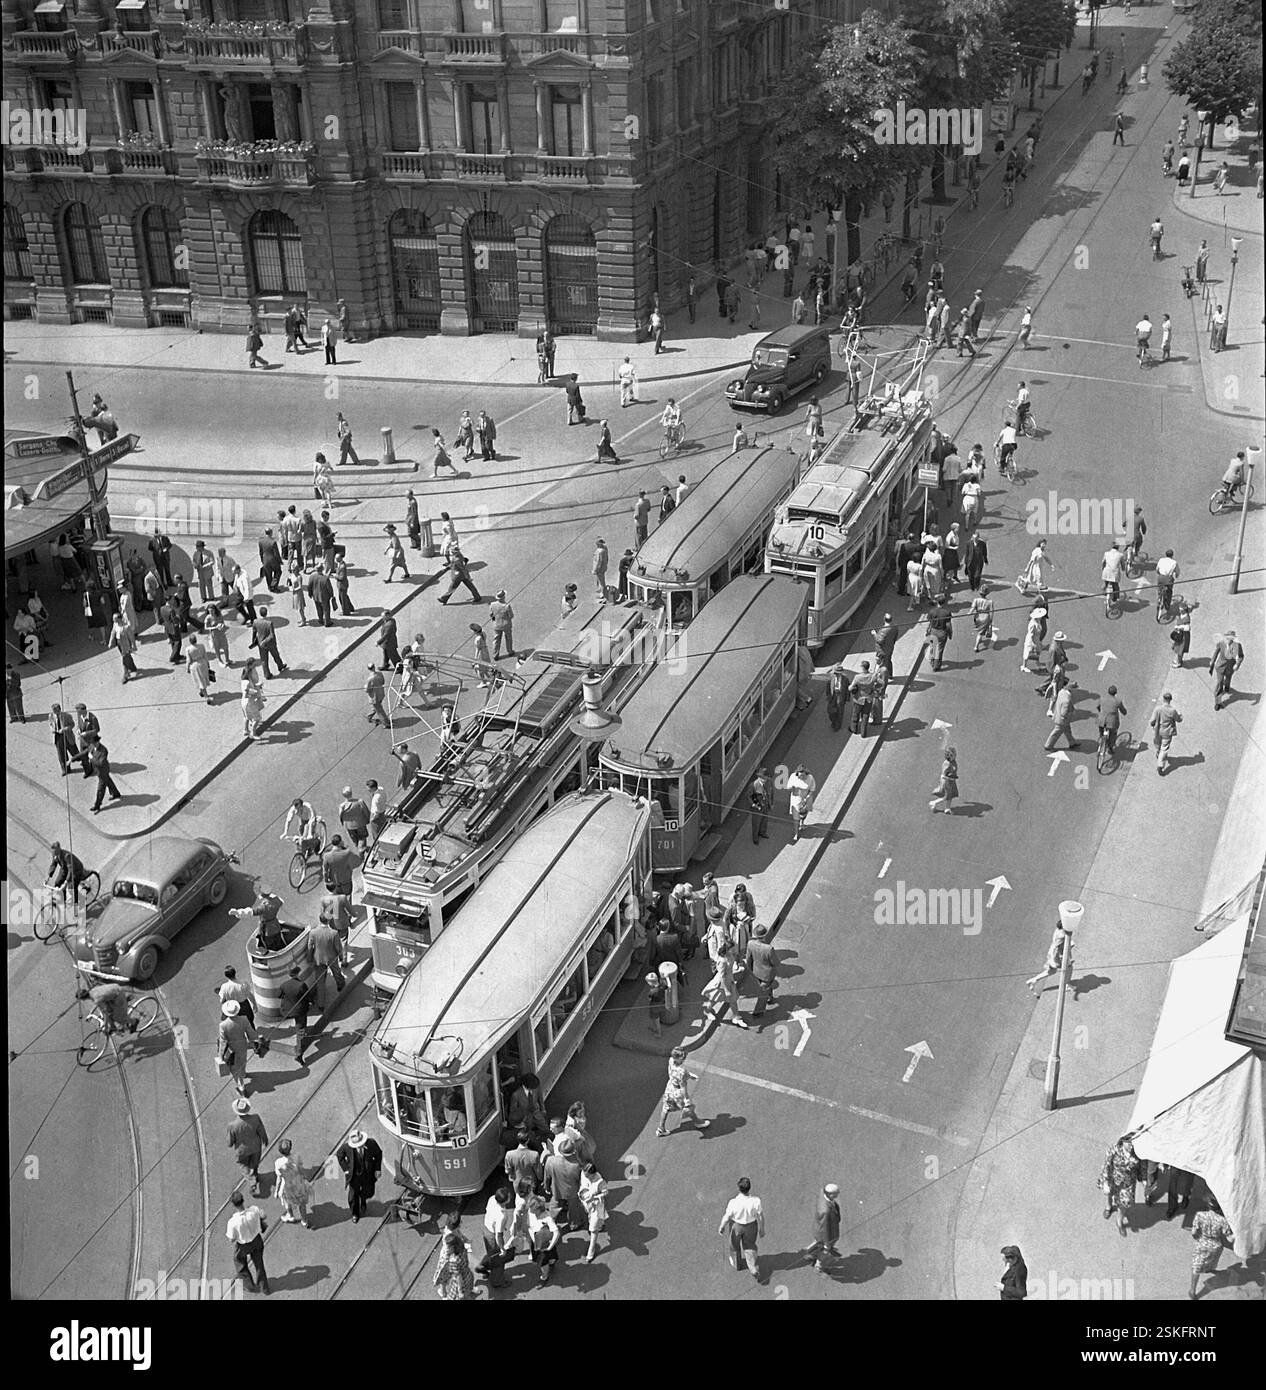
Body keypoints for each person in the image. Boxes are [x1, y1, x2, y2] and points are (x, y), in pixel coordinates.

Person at [657, 1047, 710, 1136]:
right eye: (683, 1058)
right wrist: (687, 1100)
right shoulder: (681, 1071)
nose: (684, 1059)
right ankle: (698, 1122)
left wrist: (689, 1075)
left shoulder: (670, 1060)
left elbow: (676, 1074)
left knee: (666, 1108)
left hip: (670, 1088)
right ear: (678, 1058)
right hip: (677, 1093)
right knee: (689, 1109)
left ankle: (661, 1128)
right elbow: (683, 1087)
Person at [225, 1191, 270, 1295]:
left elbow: (231, 1239)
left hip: (243, 1246)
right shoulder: (254, 1210)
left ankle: (250, 1286)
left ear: (233, 1204)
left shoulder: (232, 1222)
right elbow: (264, 1215)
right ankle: (265, 1287)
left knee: (240, 1264)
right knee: (259, 1264)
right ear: (243, 1201)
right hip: (257, 1241)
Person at [335, 1129, 383, 1223]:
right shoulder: (346, 1147)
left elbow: (378, 1154)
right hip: (354, 1175)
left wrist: (378, 1168)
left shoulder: (371, 1143)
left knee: (367, 1191)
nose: (360, 1146)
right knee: (352, 1197)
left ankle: (363, 1200)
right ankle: (355, 1213)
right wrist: (346, 1170)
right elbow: (339, 1155)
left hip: (368, 1173)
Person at [720, 1177, 765, 1278]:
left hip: (736, 1226)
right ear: (749, 1188)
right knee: (749, 1245)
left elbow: (727, 1217)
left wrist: (722, 1226)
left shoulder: (733, 1202)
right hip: (751, 1226)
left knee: (734, 1245)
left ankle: (737, 1264)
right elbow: (761, 1216)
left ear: (739, 1188)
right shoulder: (756, 1201)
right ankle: (752, 1267)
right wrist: (762, 1228)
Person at [1188, 1198, 1233, 1299]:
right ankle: (1209, 1269)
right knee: (1212, 1260)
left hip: (1202, 1244)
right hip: (1216, 1245)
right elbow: (1230, 1239)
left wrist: (1198, 1238)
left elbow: (1194, 1232)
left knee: (1196, 1267)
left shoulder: (1200, 1215)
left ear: (1208, 1207)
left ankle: (1192, 1290)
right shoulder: (1222, 1220)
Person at [1099, 1134, 1142, 1235]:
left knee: (1125, 1204)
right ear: (1123, 1141)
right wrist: (1106, 1181)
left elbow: (1140, 1167)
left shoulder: (1137, 1153)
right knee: (1110, 1193)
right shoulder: (1114, 1150)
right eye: (1129, 1143)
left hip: (1128, 1183)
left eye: (1133, 1143)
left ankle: (1119, 1222)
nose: (1131, 1145)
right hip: (1113, 1179)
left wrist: (1143, 1178)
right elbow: (1106, 1165)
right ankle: (1108, 1207)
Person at [228, 1096, 268, 1197]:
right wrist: (265, 1139)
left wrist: (232, 1143)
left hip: (242, 1150)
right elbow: (261, 1131)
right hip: (255, 1147)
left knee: (243, 1166)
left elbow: (230, 1142)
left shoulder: (232, 1125)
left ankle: (252, 1181)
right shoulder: (255, 1118)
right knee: (254, 1163)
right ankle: (255, 1174)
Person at [805, 1183, 842, 1272]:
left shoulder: (823, 1194)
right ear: (829, 1194)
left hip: (818, 1230)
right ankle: (820, 1266)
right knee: (825, 1251)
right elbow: (825, 1229)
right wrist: (827, 1245)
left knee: (818, 1244)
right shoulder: (825, 1211)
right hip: (826, 1234)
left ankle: (812, 1254)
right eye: (836, 1193)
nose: (838, 1194)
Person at [527, 1194, 562, 1283]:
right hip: (536, 1241)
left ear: (538, 1209)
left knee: (543, 1262)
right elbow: (529, 1226)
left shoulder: (547, 1218)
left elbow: (556, 1232)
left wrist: (550, 1246)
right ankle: (552, 1262)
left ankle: (544, 1277)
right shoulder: (531, 1213)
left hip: (544, 1244)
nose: (530, 1211)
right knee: (549, 1258)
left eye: (532, 1209)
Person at [1209, 631, 1244, 710]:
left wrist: (1237, 664)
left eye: (1229, 638)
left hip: (1230, 667)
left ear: (1232, 639)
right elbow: (1216, 652)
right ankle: (1218, 702)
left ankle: (1227, 687)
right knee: (1220, 682)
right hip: (1220, 666)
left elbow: (1241, 656)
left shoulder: (1237, 646)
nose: (1227, 640)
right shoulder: (1221, 644)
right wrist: (1212, 661)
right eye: (1226, 638)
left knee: (1228, 678)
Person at [1149, 691, 1181, 775]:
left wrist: (1153, 724)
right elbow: (1178, 719)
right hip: (1167, 732)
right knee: (1164, 748)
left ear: (1163, 699)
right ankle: (1160, 765)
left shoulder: (1158, 709)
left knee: (1158, 743)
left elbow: (1152, 721)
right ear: (1170, 700)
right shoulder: (1172, 710)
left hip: (1158, 731)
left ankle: (1158, 753)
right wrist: (1181, 716)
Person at [787, 763, 816, 842]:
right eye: (799, 776)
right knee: (796, 818)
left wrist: (808, 797)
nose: (801, 777)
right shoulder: (793, 776)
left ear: (806, 774)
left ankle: (802, 823)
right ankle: (796, 833)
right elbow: (788, 787)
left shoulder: (810, 778)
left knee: (804, 813)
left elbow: (812, 789)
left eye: (803, 776)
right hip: (796, 799)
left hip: (806, 798)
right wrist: (794, 787)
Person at [1096, 686, 1127, 757]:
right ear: (1115, 693)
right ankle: (1110, 747)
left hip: (1101, 720)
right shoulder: (1118, 701)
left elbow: (1098, 707)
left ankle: (1101, 739)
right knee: (1113, 733)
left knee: (1101, 731)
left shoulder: (1102, 698)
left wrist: (1101, 711)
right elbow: (1123, 711)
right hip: (1111, 722)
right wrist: (1125, 713)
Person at [929, 746, 958, 814]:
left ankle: (947, 808)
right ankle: (933, 803)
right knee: (947, 796)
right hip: (946, 781)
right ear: (948, 756)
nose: (955, 755)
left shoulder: (952, 761)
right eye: (952, 755)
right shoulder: (947, 764)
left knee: (951, 795)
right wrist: (951, 777)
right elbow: (944, 775)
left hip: (951, 780)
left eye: (954, 754)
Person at [1169, 601, 1192, 669]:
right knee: (1177, 649)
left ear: (1184, 610)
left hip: (1183, 636)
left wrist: (1179, 627)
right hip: (1179, 635)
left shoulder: (1186, 618)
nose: (1180, 611)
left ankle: (1178, 662)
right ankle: (1178, 660)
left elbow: (1187, 628)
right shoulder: (1182, 615)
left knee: (1180, 650)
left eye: (1181, 610)